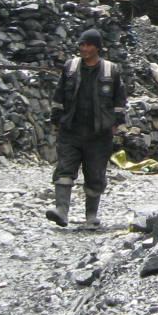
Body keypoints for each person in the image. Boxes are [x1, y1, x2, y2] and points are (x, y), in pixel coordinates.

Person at [46, 28, 128, 229]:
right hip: (71, 130)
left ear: (98, 48)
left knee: (95, 174)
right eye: (82, 45)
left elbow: (119, 101)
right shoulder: (71, 68)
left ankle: (91, 216)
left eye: (89, 45)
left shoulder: (111, 71)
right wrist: (56, 121)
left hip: (98, 134)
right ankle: (61, 211)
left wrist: (115, 124)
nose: (84, 49)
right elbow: (59, 97)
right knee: (65, 169)